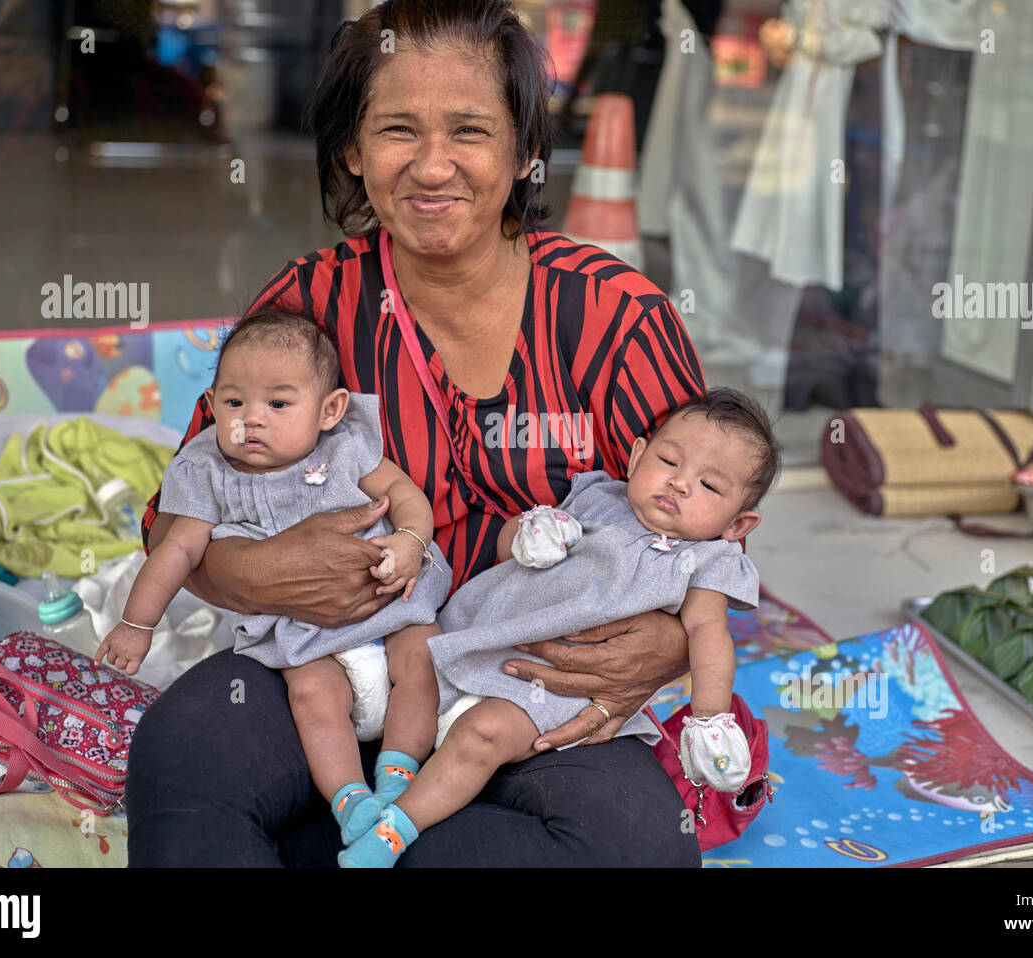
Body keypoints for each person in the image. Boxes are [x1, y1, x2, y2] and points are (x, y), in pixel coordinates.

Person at [126, 0, 711, 867]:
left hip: (527, 685)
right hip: (332, 659)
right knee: (188, 753)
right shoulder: (310, 304)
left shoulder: (615, 316)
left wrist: (668, 646)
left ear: (521, 153)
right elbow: (175, 511)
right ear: (354, 154)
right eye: (398, 129)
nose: (434, 167)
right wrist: (253, 571)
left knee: (640, 846)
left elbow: (713, 514)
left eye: (470, 130)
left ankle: (362, 839)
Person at [340, 388, 778, 866]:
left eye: (710, 486)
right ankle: (387, 780)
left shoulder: (708, 561)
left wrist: (709, 720)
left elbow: (709, 635)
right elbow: (509, 547)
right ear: (635, 456)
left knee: (480, 736)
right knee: (402, 665)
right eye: (669, 460)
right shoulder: (597, 496)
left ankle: (394, 830)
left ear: (738, 525)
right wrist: (530, 532)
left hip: (550, 689)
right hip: (471, 636)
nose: (679, 484)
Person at [96, 310, 450, 845]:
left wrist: (410, 540)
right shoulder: (206, 469)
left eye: (278, 404)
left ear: (329, 410)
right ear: (212, 405)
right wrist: (136, 625)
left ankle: (398, 775)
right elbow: (176, 550)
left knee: (424, 656)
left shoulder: (347, 447)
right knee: (312, 694)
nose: (251, 420)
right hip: (305, 632)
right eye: (235, 403)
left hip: (390, 606)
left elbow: (405, 497)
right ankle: (351, 800)